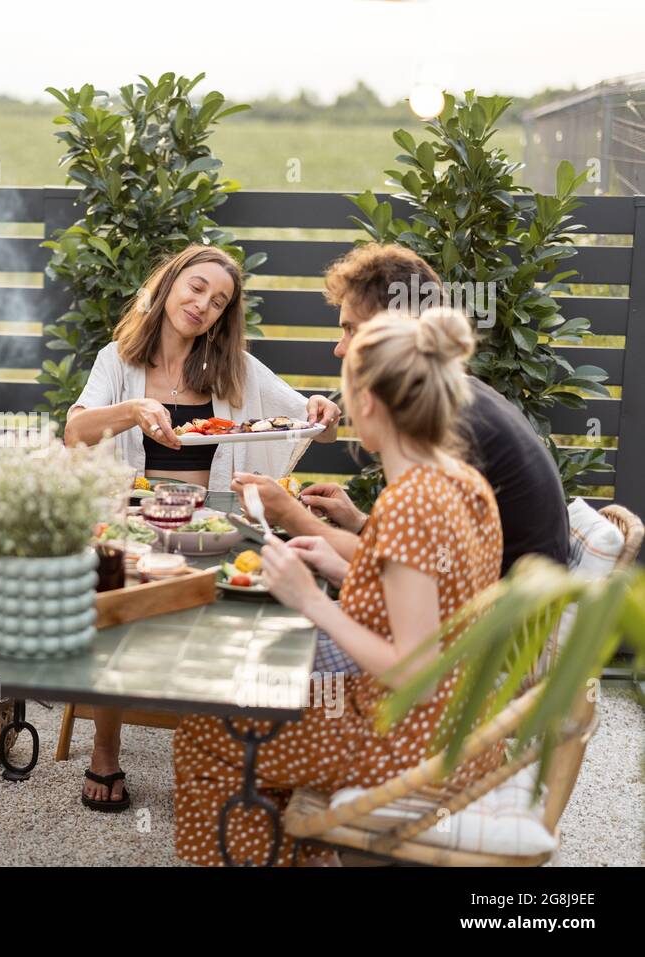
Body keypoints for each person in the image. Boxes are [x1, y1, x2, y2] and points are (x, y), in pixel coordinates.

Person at [173, 306, 506, 865]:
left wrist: (308, 600)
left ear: (370, 402)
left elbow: (415, 672)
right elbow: (439, 604)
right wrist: (336, 564)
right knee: (254, 703)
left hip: (405, 738)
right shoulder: (460, 479)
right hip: (464, 723)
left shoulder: (410, 504)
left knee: (208, 729)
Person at [63, 245, 341, 811]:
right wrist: (134, 410)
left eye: (218, 302)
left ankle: (221, 751)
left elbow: (311, 428)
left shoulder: (232, 368)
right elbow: (75, 432)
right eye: (195, 288)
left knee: (241, 610)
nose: (203, 306)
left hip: (214, 522)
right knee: (115, 604)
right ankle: (106, 747)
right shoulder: (117, 361)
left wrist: (321, 409)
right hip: (132, 520)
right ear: (168, 285)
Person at [232, 243, 570, 576]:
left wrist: (291, 515)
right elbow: (422, 555)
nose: (339, 349)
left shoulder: (451, 423)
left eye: (351, 330)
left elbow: (413, 575)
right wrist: (360, 523)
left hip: (495, 623)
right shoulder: (452, 397)